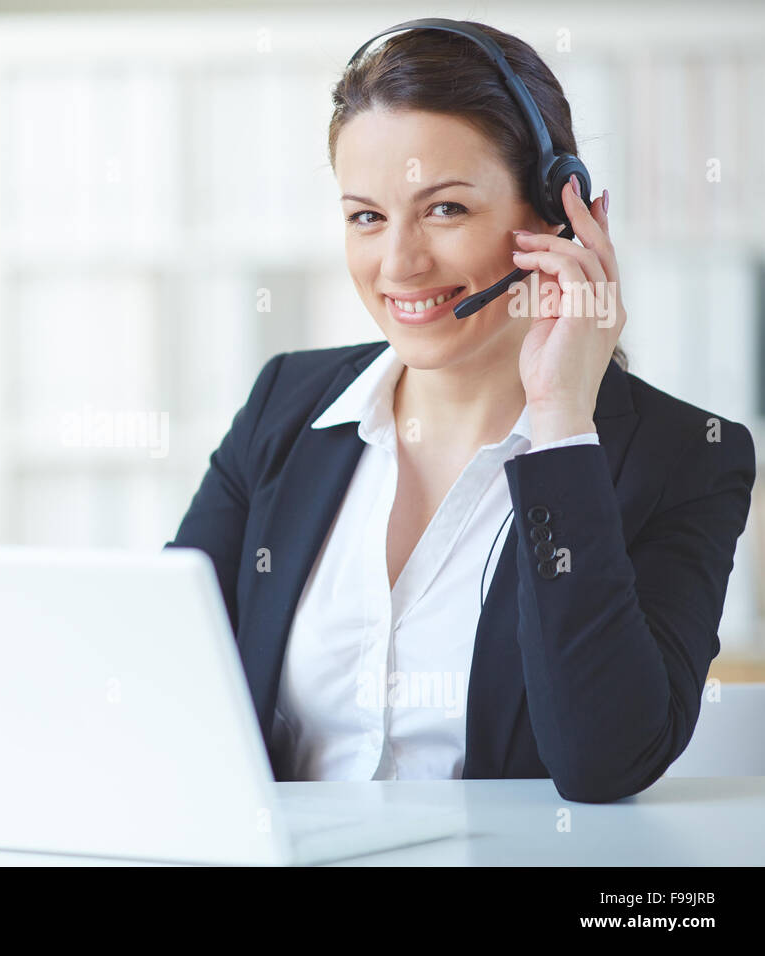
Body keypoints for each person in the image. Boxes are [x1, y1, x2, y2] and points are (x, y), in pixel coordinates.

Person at [166, 20, 756, 803]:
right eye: (367, 217)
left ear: (557, 210)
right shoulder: (285, 406)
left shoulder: (686, 457)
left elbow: (603, 762)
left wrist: (560, 428)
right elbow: (167, 678)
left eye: (444, 210)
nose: (400, 265)